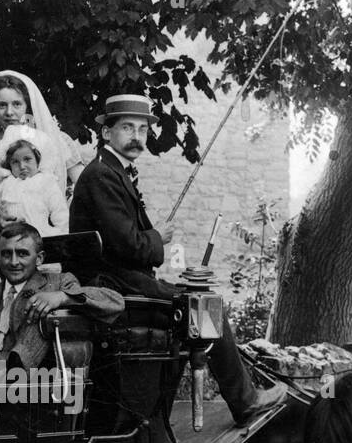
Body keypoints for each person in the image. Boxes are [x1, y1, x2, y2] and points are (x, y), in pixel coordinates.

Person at [69, 93, 287, 425]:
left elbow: (125, 240)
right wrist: (159, 237)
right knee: (205, 306)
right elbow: (131, 247)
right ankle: (245, 402)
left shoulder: (114, 172)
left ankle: (162, 416)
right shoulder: (102, 175)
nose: (136, 137)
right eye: (127, 127)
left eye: (142, 130)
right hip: (111, 287)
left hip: (123, 280)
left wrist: (151, 239)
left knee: (196, 305)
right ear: (106, 133)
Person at [0, 221, 122, 380]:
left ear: (39, 258)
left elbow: (115, 301)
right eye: (6, 254)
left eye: (22, 253)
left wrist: (62, 297)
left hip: (27, 383)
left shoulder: (58, 284)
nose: (13, 262)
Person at [0, 71, 85, 199]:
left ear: (27, 106)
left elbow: (85, 187)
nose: (9, 112)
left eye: (16, 104)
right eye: (2, 105)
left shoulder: (57, 140)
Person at [0, 138, 69, 233]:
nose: (22, 166)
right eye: (15, 162)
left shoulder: (45, 182)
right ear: (9, 165)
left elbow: (61, 215)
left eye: (27, 159)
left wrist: (62, 236)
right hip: (11, 236)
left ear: (37, 160)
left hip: (40, 234)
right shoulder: (6, 184)